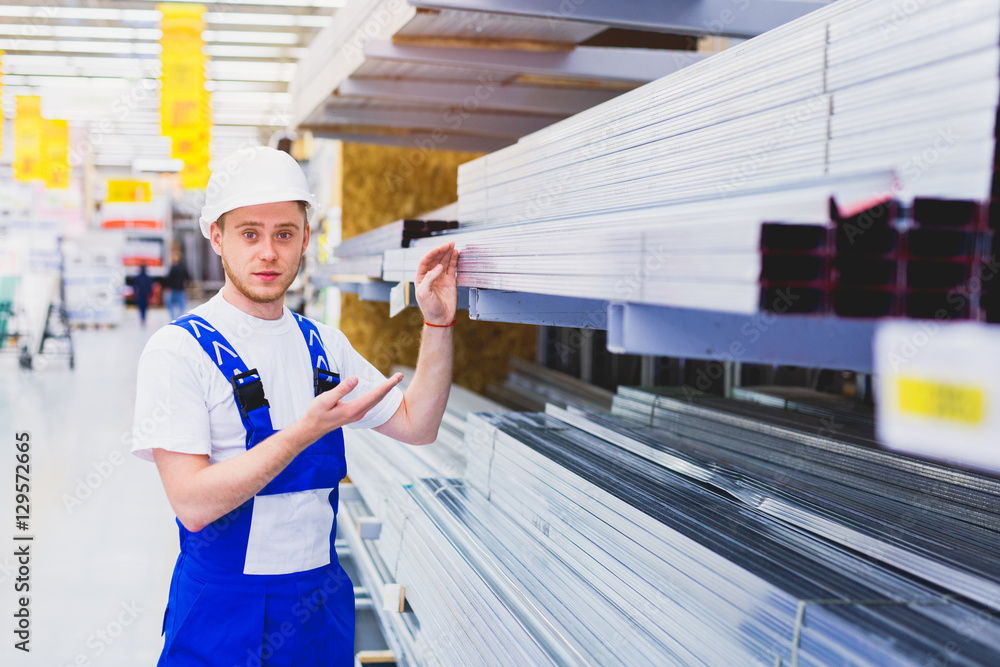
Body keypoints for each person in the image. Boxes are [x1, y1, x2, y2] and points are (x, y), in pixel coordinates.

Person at [130, 146, 458, 666]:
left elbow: (418, 425)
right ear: (217, 237)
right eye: (249, 233)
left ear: (306, 237)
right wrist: (303, 432)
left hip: (317, 608)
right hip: (222, 613)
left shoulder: (326, 346)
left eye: (284, 233)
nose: (268, 253)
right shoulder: (179, 352)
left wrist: (437, 325)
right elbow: (191, 503)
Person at [164, 249, 190, 320]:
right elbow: (188, 277)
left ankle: (172, 317)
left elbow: (168, 279)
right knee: (182, 305)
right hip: (181, 289)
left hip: (173, 289)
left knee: (171, 304)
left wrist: (167, 286)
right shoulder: (183, 268)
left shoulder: (173, 268)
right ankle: (180, 317)